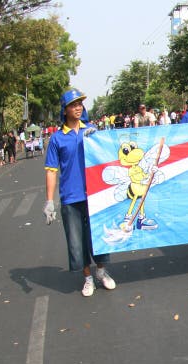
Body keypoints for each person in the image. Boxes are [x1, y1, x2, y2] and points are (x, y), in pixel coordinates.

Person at [43, 88, 117, 297]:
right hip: (70, 197)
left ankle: (102, 271)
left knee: (99, 236)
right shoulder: (57, 139)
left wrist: (98, 140)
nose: (78, 108)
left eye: (80, 104)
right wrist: (49, 201)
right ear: (65, 110)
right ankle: (87, 277)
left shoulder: (91, 130)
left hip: (95, 195)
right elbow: (51, 170)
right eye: (73, 105)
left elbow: (109, 155)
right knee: (77, 241)